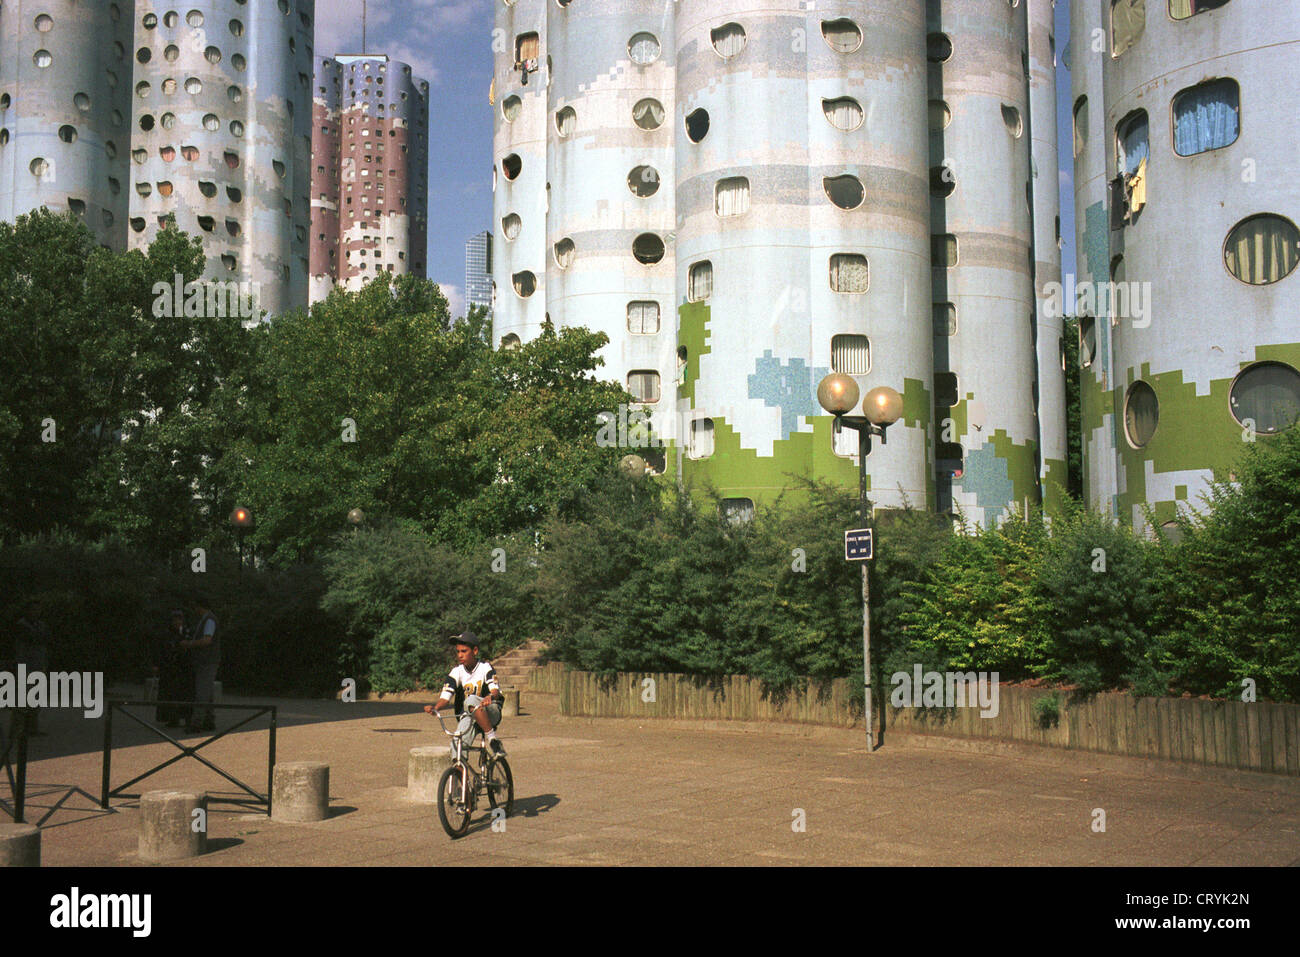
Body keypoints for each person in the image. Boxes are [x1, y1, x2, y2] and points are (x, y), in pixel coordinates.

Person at [423, 632, 505, 755]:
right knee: (456, 746)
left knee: (471, 700)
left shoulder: (485, 667)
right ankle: (459, 773)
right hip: (469, 715)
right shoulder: (456, 672)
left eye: (464, 651)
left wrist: (489, 697)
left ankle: (493, 740)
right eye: (458, 652)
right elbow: (445, 697)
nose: (460, 655)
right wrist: (435, 708)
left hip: (490, 711)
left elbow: (495, 690)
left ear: (475, 651)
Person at [180, 597, 220, 733]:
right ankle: (209, 720)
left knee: (202, 692)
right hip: (207, 660)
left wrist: (189, 644)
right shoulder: (208, 619)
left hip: (206, 660)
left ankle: (197, 723)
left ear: (199, 606)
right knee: (207, 692)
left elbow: (206, 640)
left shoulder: (209, 620)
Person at [14, 600, 51, 735]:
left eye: (38, 610)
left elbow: (46, 638)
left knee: (36, 698)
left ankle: (32, 728)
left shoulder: (41, 625)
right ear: (27, 611)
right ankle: (19, 729)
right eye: (33, 610)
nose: (36, 612)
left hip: (38, 665)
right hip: (25, 666)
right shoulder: (21, 625)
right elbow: (34, 638)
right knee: (23, 699)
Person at [154, 609, 191, 728]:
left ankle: (181, 717)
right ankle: (171, 717)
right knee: (169, 692)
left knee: (181, 693)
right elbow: (160, 649)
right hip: (169, 666)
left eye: (179, 619)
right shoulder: (166, 634)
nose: (177, 622)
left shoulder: (185, 633)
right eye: (175, 620)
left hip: (181, 666)